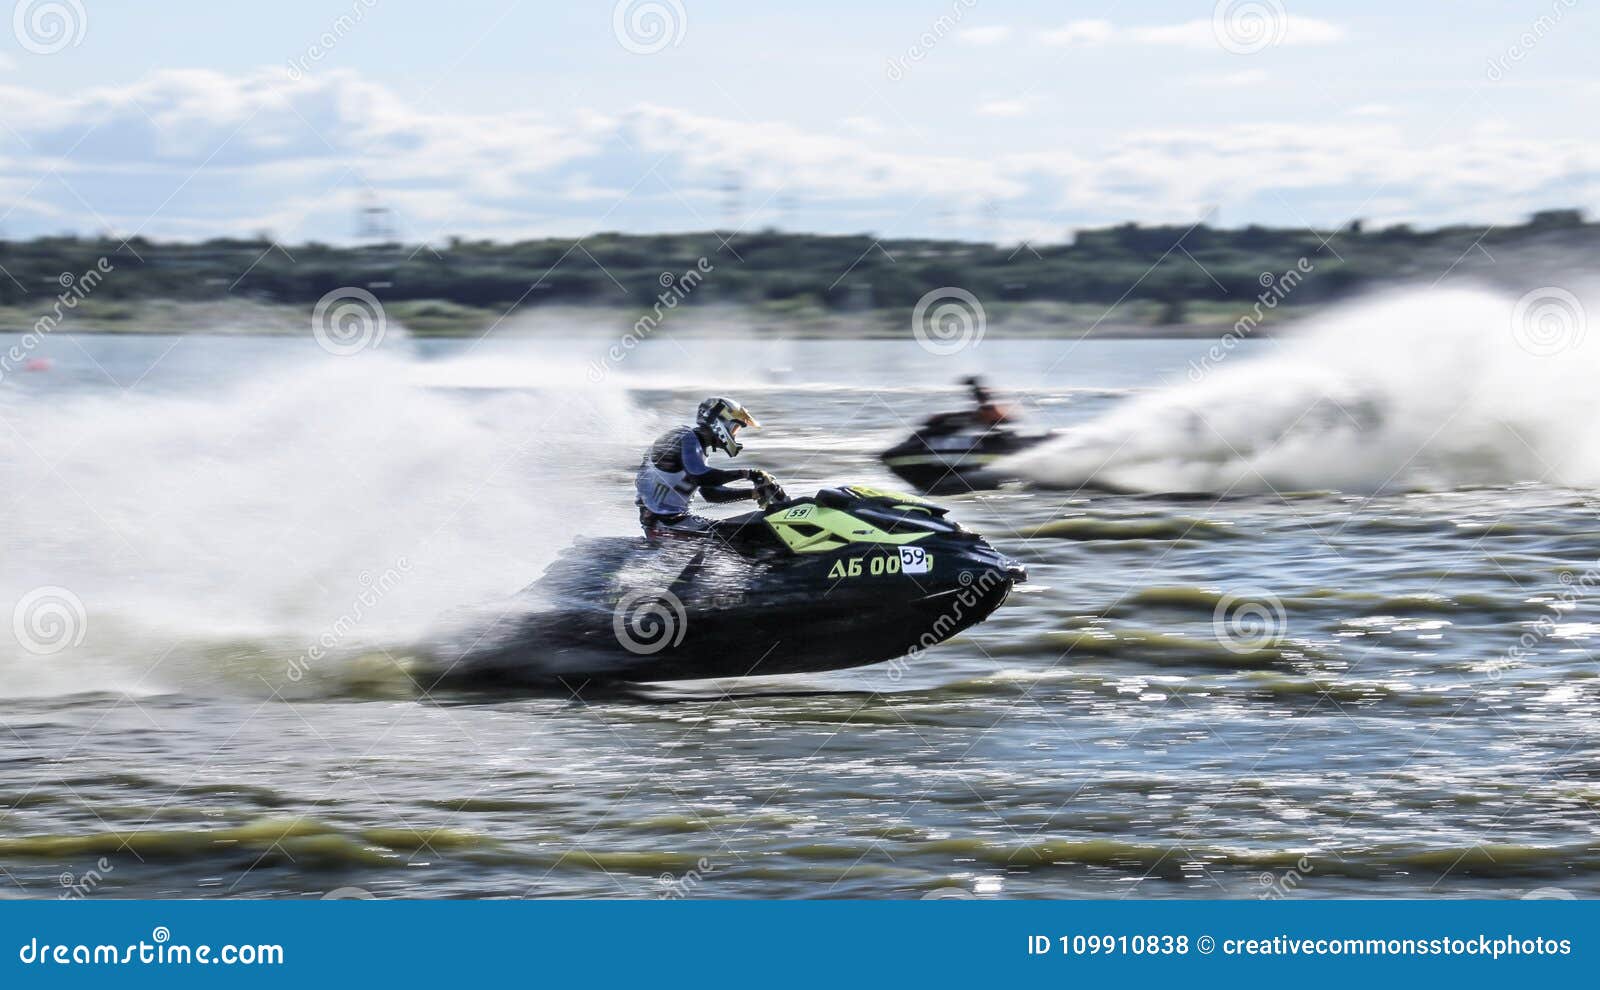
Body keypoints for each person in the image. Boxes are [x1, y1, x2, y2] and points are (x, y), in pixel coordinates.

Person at [635, 397, 776, 536]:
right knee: (756, 527)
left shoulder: (696, 449)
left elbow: (712, 494)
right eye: (735, 428)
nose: (734, 435)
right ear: (720, 422)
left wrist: (755, 493)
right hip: (667, 523)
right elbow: (701, 476)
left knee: (752, 523)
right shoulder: (685, 436)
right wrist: (748, 474)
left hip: (669, 523)